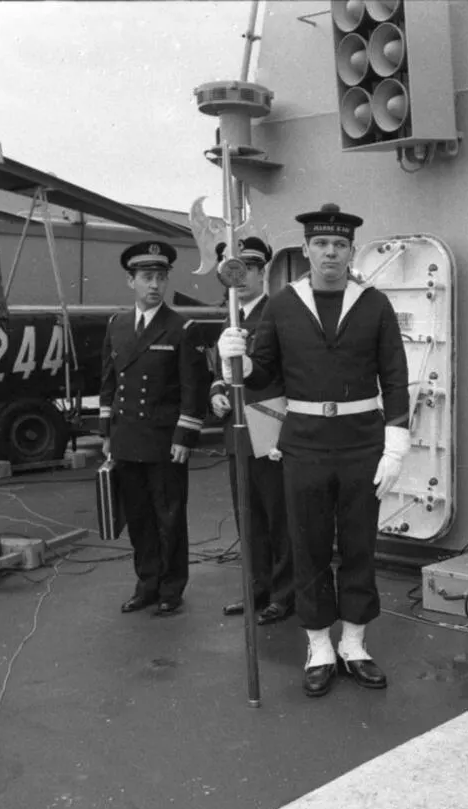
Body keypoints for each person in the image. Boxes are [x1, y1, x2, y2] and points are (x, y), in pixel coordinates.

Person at [216, 203, 410, 698]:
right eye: (321, 244)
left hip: (361, 442)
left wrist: (395, 446)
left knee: (360, 544)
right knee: (309, 544)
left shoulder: (374, 304)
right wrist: (236, 359)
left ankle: (355, 644)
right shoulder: (284, 305)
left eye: (340, 245)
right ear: (306, 249)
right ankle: (319, 646)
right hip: (304, 443)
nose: (330, 253)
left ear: (351, 251)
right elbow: (263, 373)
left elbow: (395, 378)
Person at [99, 241, 208, 616]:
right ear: (131, 281)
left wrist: (185, 435)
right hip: (127, 437)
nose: (155, 285)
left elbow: (194, 389)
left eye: (161, 277)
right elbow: (109, 382)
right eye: (147, 277)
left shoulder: (181, 328)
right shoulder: (117, 325)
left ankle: (171, 589)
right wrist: (106, 434)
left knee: (169, 517)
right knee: (139, 518)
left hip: (164, 441)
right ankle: (146, 585)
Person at [209, 237, 295, 626]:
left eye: (249, 269)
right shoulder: (228, 317)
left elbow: (284, 372)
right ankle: (257, 588)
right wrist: (216, 392)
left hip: (269, 428)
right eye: (234, 271)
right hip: (238, 432)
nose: (240, 278)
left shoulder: (278, 314)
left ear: (263, 272)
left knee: (279, 517)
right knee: (248, 518)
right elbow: (219, 370)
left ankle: (284, 593)